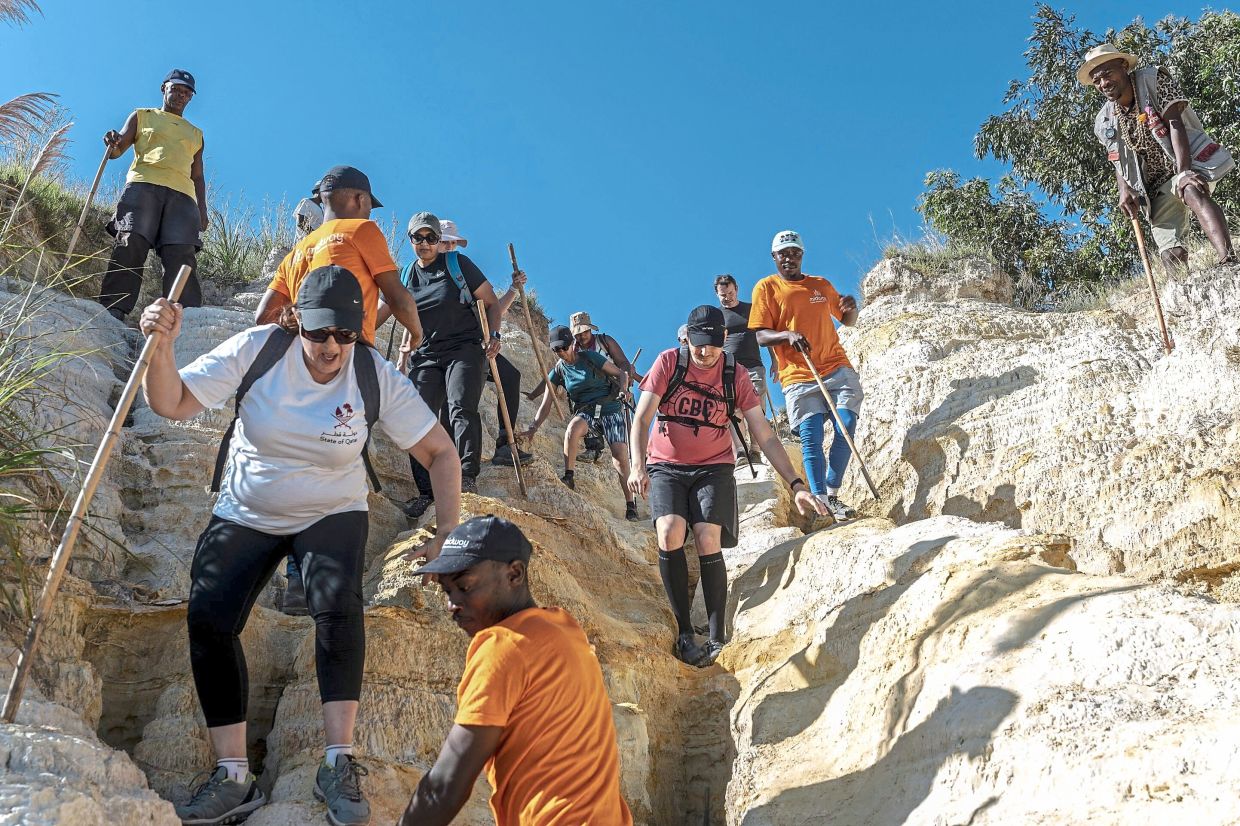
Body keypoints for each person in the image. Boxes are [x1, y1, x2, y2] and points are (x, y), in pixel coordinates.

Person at [140, 266, 461, 826]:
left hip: (330, 509)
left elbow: (442, 453)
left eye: (344, 333)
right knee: (209, 619)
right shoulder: (259, 350)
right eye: (319, 333)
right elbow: (171, 403)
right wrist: (160, 348)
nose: (331, 346)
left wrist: (444, 534)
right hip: (247, 507)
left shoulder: (371, 373)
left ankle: (338, 761)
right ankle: (233, 775)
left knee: (338, 610)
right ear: (297, 322)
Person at [399, 516, 633, 826]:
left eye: (464, 586)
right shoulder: (564, 627)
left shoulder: (502, 646)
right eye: (448, 591)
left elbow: (445, 786)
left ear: (515, 574)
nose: (452, 604)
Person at [629, 306, 826, 665]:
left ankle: (717, 636)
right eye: (698, 345)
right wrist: (637, 466)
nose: (704, 353)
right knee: (669, 532)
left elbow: (764, 435)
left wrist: (796, 484)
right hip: (666, 465)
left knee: (707, 536)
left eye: (711, 346)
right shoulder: (669, 362)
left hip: (714, 466)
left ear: (723, 341)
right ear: (687, 338)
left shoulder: (734, 374)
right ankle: (685, 632)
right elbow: (641, 418)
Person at [379, 212, 502, 514]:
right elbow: (383, 310)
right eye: (417, 238)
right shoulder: (405, 276)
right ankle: (426, 491)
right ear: (410, 240)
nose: (424, 243)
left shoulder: (458, 265)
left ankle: (467, 477)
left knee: (460, 407)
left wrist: (495, 334)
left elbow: (491, 302)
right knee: (415, 416)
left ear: (439, 240)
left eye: (430, 238)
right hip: (427, 354)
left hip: (465, 349)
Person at [1081, 43, 1236, 270]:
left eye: (1107, 74)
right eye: (1097, 81)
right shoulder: (1104, 120)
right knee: (1170, 251)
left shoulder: (1153, 79)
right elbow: (1118, 158)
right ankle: (1182, 293)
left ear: (1123, 66)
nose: (1103, 83)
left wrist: (1184, 172)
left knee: (1190, 189)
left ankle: (1229, 260)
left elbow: (1175, 124)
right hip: (1153, 186)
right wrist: (1125, 191)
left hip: (1187, 160)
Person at [751, 229, 863, 522]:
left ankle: (832, 489)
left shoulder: (820, 285)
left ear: (802, 255)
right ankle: (823, 501)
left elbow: (847, 320)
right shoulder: (766, 288)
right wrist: (787, 335)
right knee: (811, 435)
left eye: (794, 252)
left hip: (836, 366)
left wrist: (851, 309)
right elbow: (761, 336)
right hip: (798, 374)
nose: (789, 258)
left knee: (846, 424)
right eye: (783, 253)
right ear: (774, 257)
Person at [255, 165, 424, 349]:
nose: (369, 212)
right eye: (370, 205)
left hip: (305, 356)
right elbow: (396, 298)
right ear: (360, 199)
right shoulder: (362, 230)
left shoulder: (295, 253)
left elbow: (263, 316)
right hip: (349, 348)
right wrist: (416, 335)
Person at [96, 69, 207, 321]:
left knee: (181, 254)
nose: (180, 95)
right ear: (163, 88)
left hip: (183, 196)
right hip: (143, 186)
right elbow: (118, 148)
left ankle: (185, 315)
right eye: (176, 89)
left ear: (190, 97)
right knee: (131, 241)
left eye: (186, 92)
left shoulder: (196, 134)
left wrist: (203, 209)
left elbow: (197, 176)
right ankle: (115, 308)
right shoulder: (142, 116)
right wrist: (113, 142)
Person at [437, 219, 533, 470]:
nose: (448, 247)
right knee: (455, 402)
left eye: (452, 243)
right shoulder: (427, 274)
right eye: (444, 242)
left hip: (474, 345)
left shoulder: (461, 270)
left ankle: (505, 443)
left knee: (510, 376)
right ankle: (449, 458)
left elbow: (491, 309)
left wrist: (512, 290)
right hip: (444, 349)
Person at [521, 326, 639, 521]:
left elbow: (622, 373)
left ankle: (630, 504)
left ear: (572, 345)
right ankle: (569, 476)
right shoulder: (559, 369)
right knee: (572, 429)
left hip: (610, 409)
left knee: (620, 457)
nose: (561, 353)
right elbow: (546, 402)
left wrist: (624, 390)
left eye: (564, 348)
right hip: (587, 411)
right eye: (556, 350)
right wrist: (533, 427)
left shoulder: (590, 358)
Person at [715, 273, 770, 464]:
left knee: (756, 408)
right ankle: (740, 451)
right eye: (723, 295)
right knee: (733, 409)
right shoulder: (717, 316)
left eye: (730, 292)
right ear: (717, 294)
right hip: (728, 368)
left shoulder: (751, 309)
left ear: (736, 289)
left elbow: (765, 335)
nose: (727, 297)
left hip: (754, 365)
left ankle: (755, 450)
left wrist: (776, 363)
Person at [569, 311, 643, 386]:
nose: (582, 336)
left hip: (614, 388)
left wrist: (625, 378)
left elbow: (623, 363)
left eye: (585, 331)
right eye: (578, 334)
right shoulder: (571, 351)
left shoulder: (605, 341)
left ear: (590, 329)